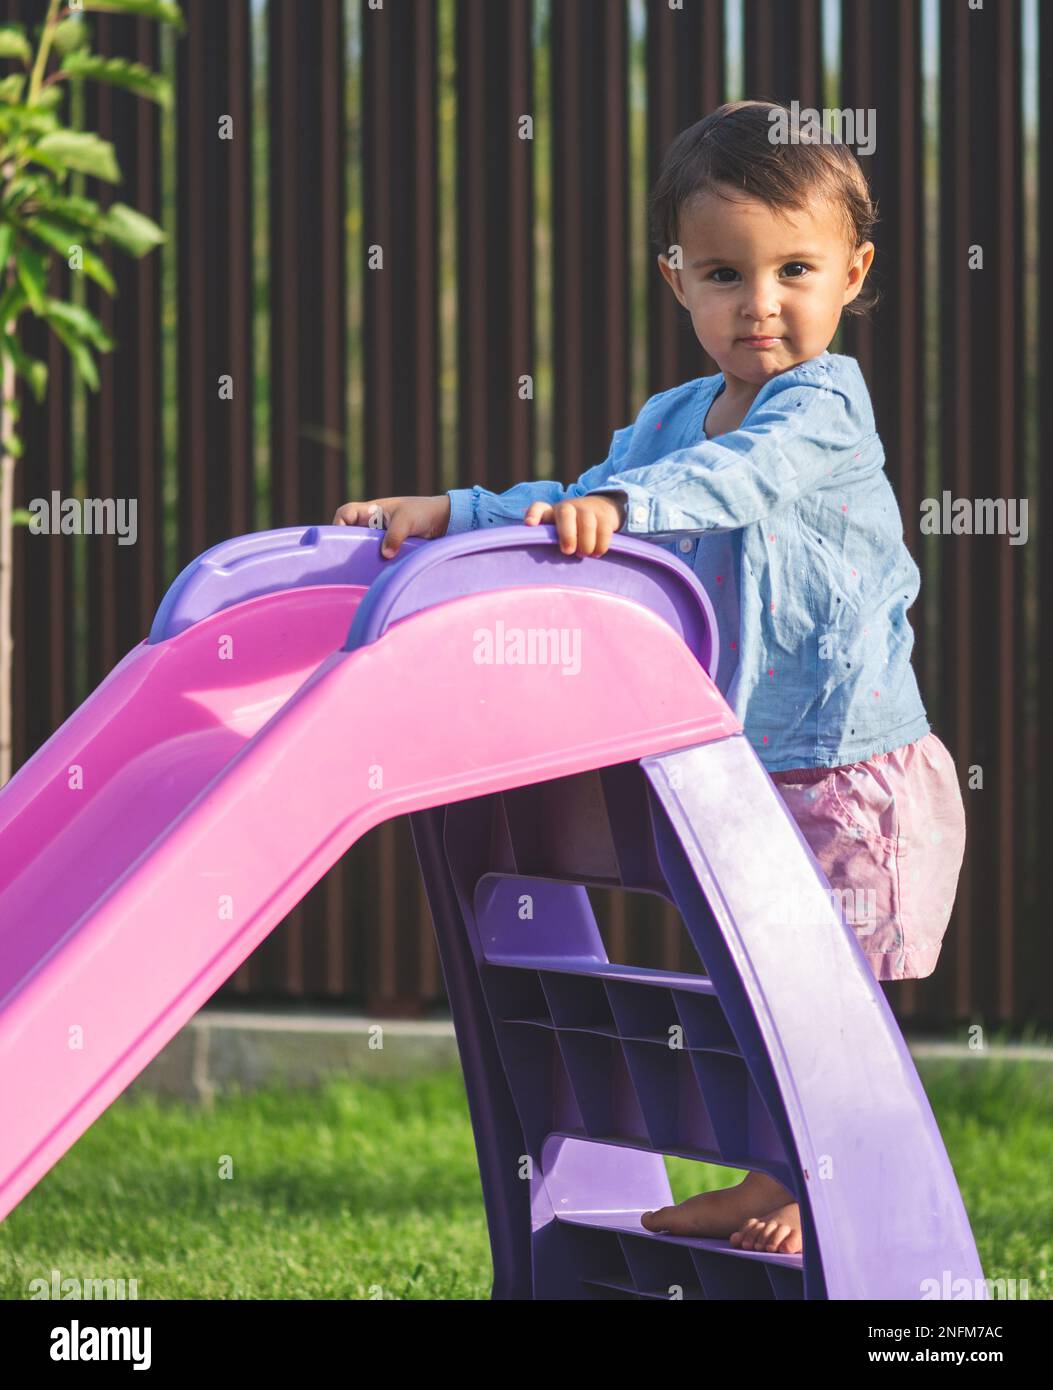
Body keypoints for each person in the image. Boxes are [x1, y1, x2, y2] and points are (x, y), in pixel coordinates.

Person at [332, 100, 967, 1259]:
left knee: (829, 995)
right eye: (725, 273)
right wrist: (452, 517)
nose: (760, 304)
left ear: (854, 272)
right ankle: (772, 1168)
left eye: (794, 269)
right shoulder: (673, 418)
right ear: (677, 280)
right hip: (742, 768)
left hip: (848, 769)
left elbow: (736, 482)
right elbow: (579, 498)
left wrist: (627, 509)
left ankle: (794, 1182)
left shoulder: (824, 405)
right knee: (752, 994)